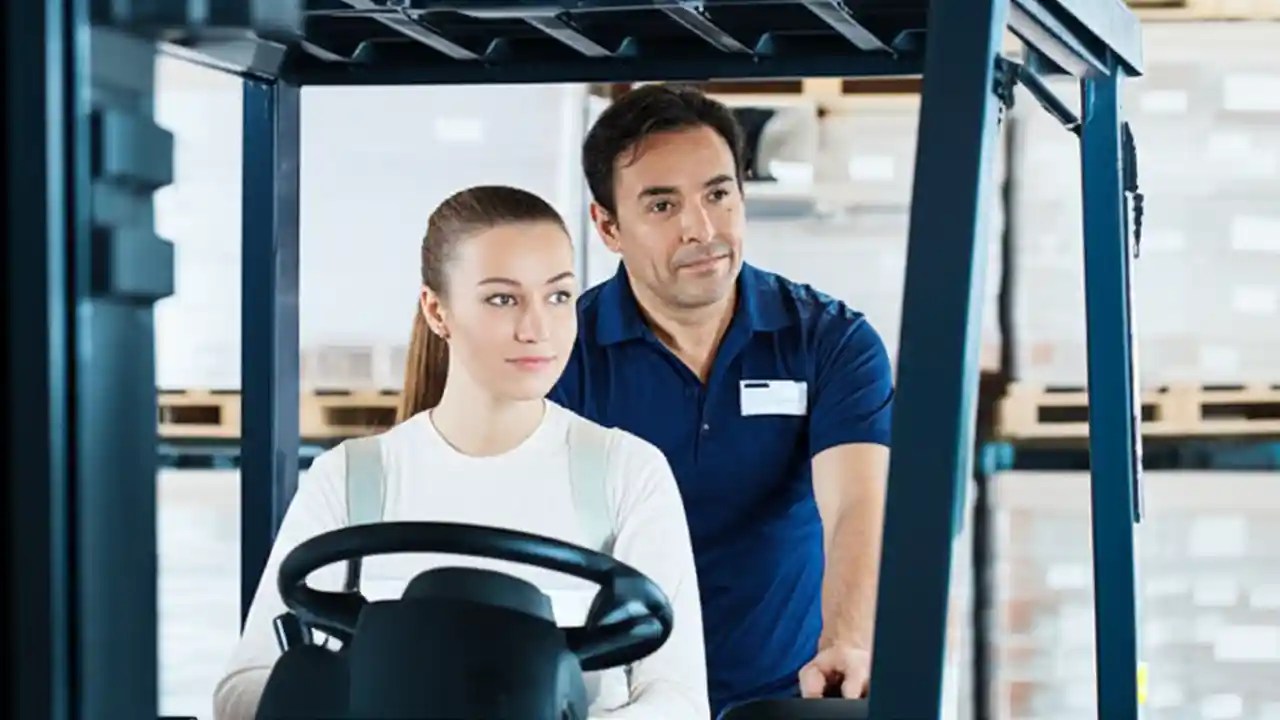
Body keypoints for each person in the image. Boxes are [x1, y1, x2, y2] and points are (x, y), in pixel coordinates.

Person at [212, 185, 710, 720]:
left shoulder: (626, 472)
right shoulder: (352, 478)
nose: (537, 328)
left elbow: (677, 699)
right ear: (437, 310)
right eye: (503, 298)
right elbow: (243, 689)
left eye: (559, 296)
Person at [549, 85, 895, 718]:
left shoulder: (829, 340)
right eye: (662, 205)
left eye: (718, 194)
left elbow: (857, 504)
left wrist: (849, 638)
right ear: (607, 227)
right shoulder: (561, 354)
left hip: (789, 695)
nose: (701, 229)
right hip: (617, 699)